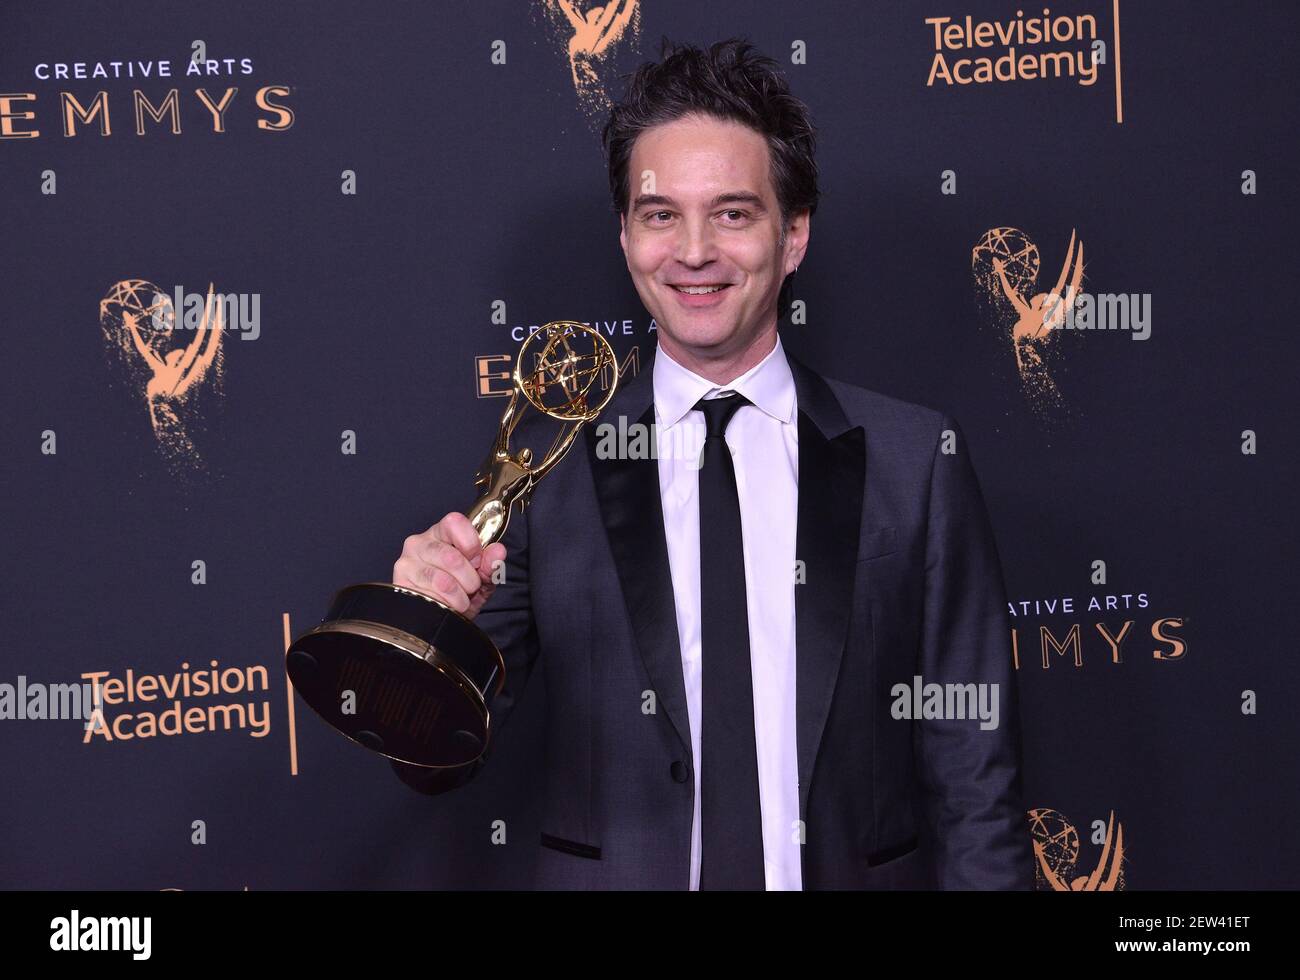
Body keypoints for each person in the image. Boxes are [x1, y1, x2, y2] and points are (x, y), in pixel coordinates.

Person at [390, 38, 1033, 890]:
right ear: (625, 236)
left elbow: (974, 778)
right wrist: (427, 639)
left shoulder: (916, 461)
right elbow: (437, 762)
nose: (694, 252)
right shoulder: (552, 468)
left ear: (793, 234)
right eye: (661, 215)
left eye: (732, 212)